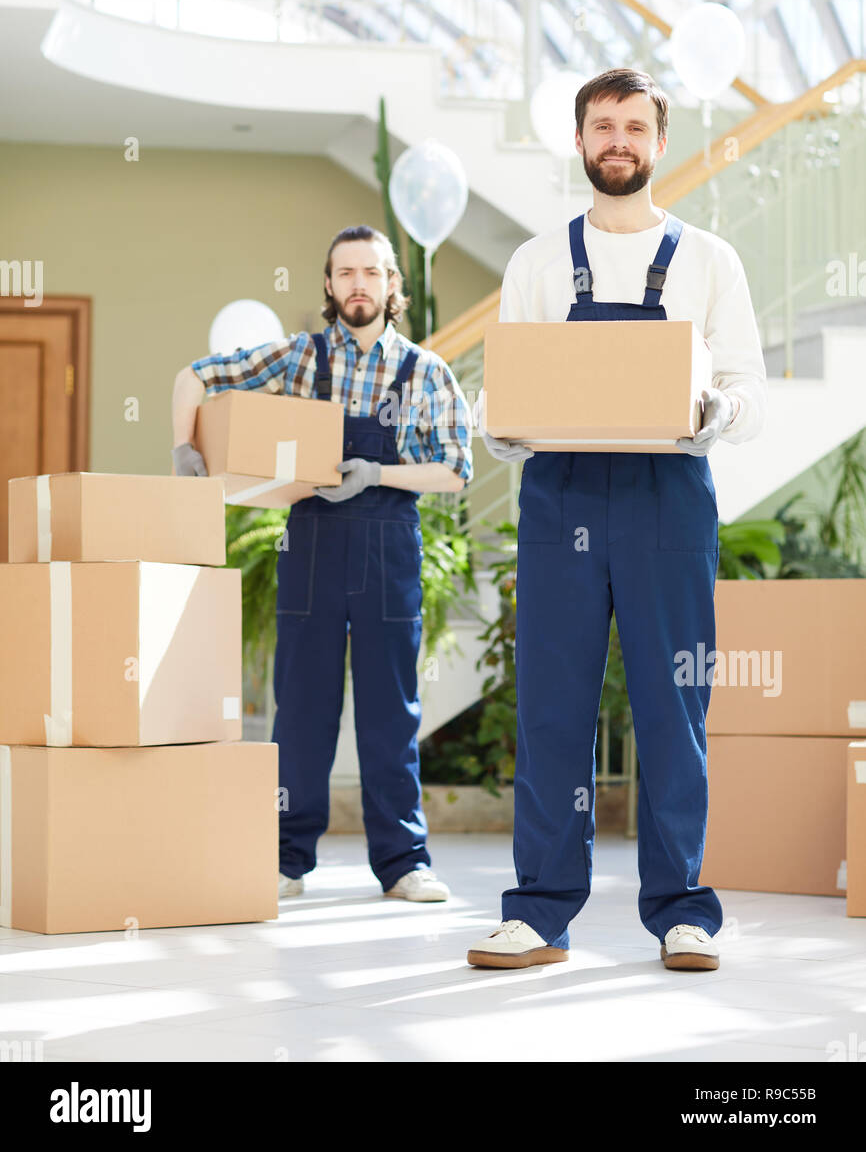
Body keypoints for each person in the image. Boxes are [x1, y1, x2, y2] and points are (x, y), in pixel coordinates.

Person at [468, 67, 767, 971]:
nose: (620, 141)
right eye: (604, 126)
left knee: (674, 707)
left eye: (636, 126)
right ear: (581, 140)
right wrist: (507, 428)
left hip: (669, 496)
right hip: (560, 496)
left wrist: (712, 411)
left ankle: (684, 911)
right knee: (554, 707)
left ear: (659, 142)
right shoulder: (536, 262)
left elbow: (751, 390)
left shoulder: (711, 260)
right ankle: (540, 911)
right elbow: (498, 402)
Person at [171, 225, 473, 903]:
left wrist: (377, 473)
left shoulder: (425, 371)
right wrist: (183, 446)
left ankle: (403, 863)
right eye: (346, 273)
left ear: (392, 285)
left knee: (389, 710)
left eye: (372, 272)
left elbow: (455, 470)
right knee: (301, 709)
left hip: (389, 549)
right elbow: (195, 375)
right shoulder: (298, 359)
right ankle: (285, 859)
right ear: (330, 285)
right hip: (309, 549)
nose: (359, 284)